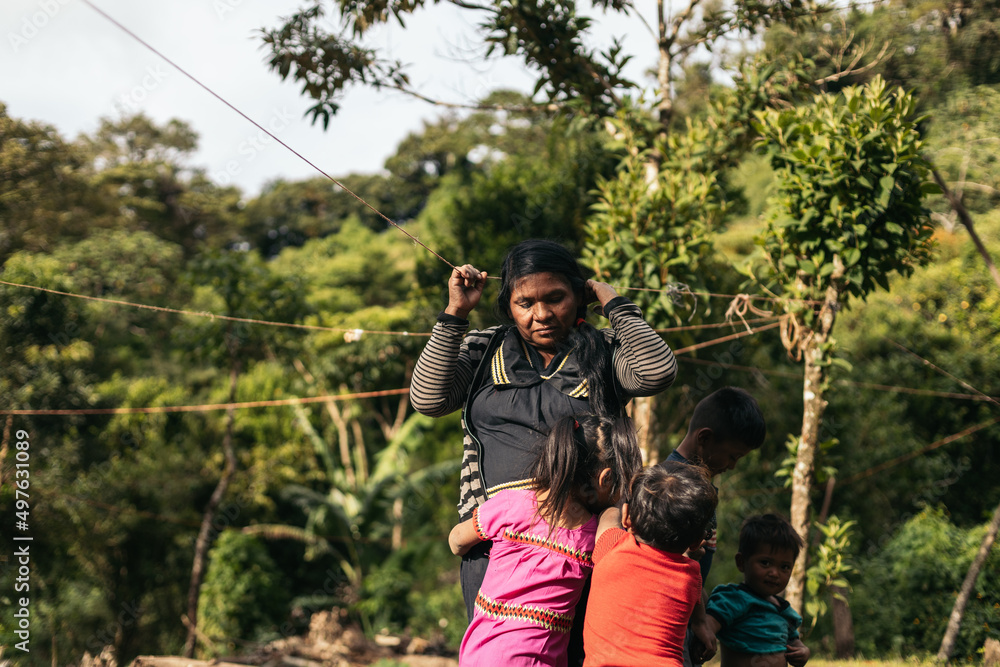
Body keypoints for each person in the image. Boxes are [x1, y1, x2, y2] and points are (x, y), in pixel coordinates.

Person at [410, 239, 678, 623]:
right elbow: (428, 400)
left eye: (556, 298)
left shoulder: (604, 351)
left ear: (578, 294)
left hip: (585, 548)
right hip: (495, 548)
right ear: (508, 306)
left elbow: (657, 371)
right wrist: (455, 312)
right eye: (525, 303)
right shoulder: (484, 349)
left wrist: (614, 303)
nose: (542, 314)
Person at [449, 413, 642, 667]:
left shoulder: (510, 504)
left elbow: (457, 541)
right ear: (605, 480)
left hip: (481, 654)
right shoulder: (590, 537)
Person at [658, 386, 767, 665]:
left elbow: (693, 568)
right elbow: (676, 568)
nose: (731, 466)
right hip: (667, 623)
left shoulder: (677, 481)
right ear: (704, 438)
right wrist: (699, 622)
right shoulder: (677, 490)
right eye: (732, 456)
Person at [581, 462, 719, 666]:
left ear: (627, 517)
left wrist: (615, 510)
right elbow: (696, 596)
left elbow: (609, 517)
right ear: (698, 541)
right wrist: (700, 623)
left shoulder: (612, 546)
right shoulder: (691, 575)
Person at [701, 514, 811, 667]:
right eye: (765, 563)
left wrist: (803, 651)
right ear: (741, 562)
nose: (775, 573)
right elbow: (707, 626)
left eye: (784, 567)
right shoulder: (733, 599)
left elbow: (793, 640)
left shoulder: (783, 609)